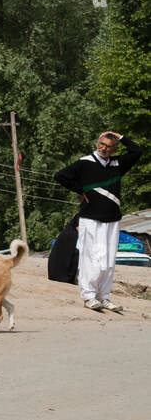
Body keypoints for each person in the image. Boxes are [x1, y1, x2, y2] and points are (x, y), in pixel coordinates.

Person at [54, 131, 142, 311]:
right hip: (90, 218)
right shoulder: (85, 162)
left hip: (112, 219)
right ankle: (88, 296)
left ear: (114, 148)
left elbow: (137, 151)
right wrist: (80, 190)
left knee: (108, 260)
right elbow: (60, 176)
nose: (104, 148)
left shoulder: (117, 163)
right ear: (97, 143)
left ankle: (104, 297)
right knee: (91, 257)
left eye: (109, 146)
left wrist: (121, 136)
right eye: (102, 144)